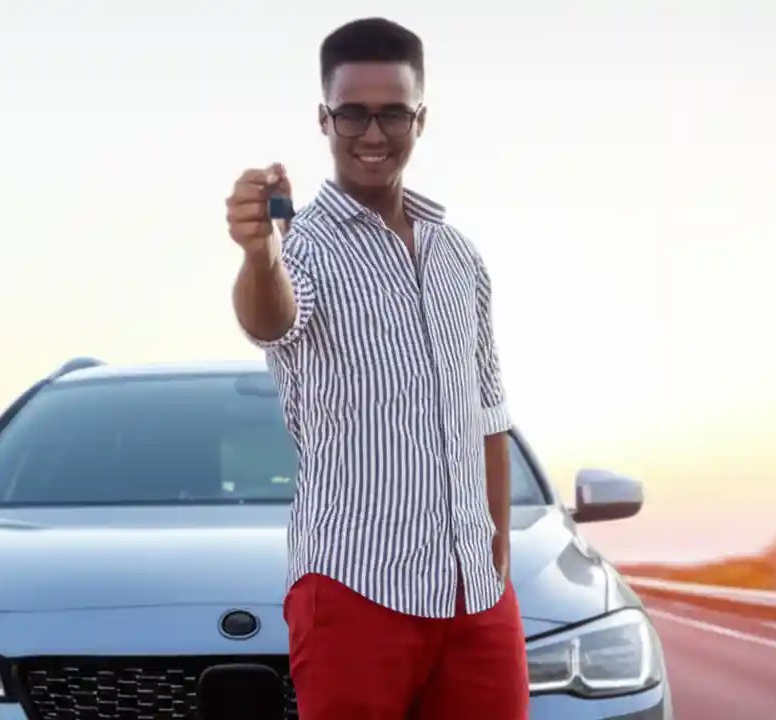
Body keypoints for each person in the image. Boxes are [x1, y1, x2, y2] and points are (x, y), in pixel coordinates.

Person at [225, 16, 528, 720]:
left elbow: (489, 409)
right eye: (352, 113)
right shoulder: (300, 250)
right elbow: (269, 320)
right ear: (323, 118)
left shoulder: (459, 257)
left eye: (392, 113)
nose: (372, 134)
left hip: (474, 595)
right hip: (355, 589)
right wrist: (258, 254)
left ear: (420, 118)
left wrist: (496, 546)